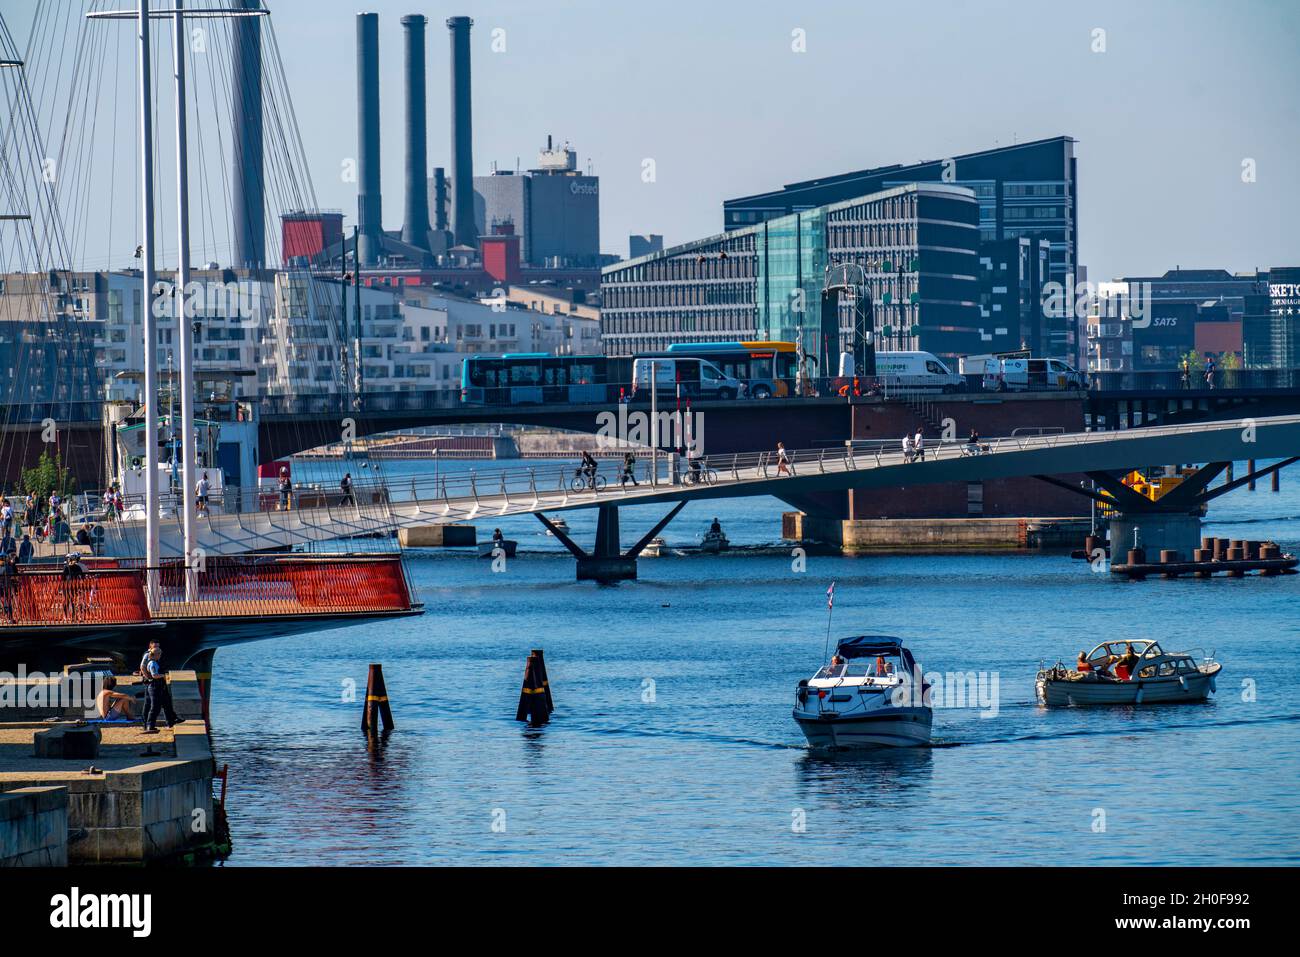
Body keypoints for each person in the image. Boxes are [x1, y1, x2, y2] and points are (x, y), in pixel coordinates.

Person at [140, 642, 181, 734]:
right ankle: (150, 725)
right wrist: (162, 676)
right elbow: (154, 675)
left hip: (159, 686)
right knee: (154, 707)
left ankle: (171, 720)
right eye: (160, 654)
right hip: (154, 686)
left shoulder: (155, 662)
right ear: (156, 654)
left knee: (164, 703)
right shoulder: (152, 663)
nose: (161, 655)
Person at [60, 552, 85, 620]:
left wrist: (81, 584)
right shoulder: (66, 568)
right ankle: (65, 616)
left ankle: (74, 616)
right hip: (67, 587)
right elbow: (63, 578)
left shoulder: (77, 567)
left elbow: (83, 576)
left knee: (74, 601)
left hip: (75, 587)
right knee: (67, 601)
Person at [0, 554, 17, 622]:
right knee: (8, 603)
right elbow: (12, 576)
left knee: (4, 602)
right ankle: (9, 618)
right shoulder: (8, 567)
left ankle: (7, 617)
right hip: (7, 587)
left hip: (2, 587)